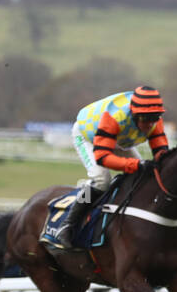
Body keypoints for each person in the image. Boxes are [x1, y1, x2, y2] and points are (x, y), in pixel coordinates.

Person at [47, 85, 170, 248]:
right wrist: (135, 164)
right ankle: (68, 224)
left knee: (143, 177)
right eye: (145, 119)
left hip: (117, 137)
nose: (149, 124)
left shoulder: (154, 121)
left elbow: (162, 155)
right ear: (134, 114)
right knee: (101, 180)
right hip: (87, 135)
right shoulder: (114, 117)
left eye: (154, 118)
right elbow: (103, 158)